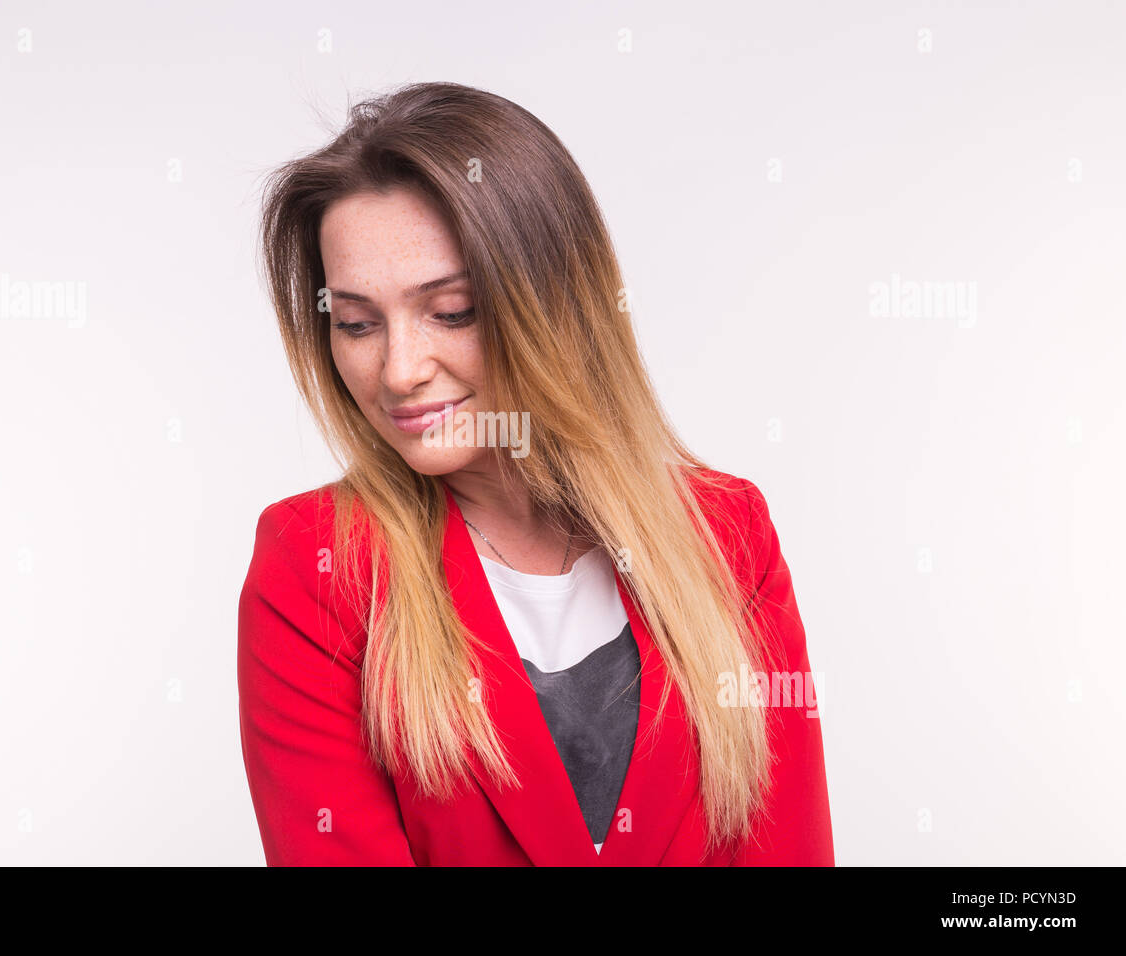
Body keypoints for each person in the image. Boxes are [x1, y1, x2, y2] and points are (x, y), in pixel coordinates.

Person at [238, 81, 834, 865]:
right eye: (356, 324)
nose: (400, 370)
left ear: (558, 303)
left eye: (451, 311)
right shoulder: (317, 567)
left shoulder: (727, 536)